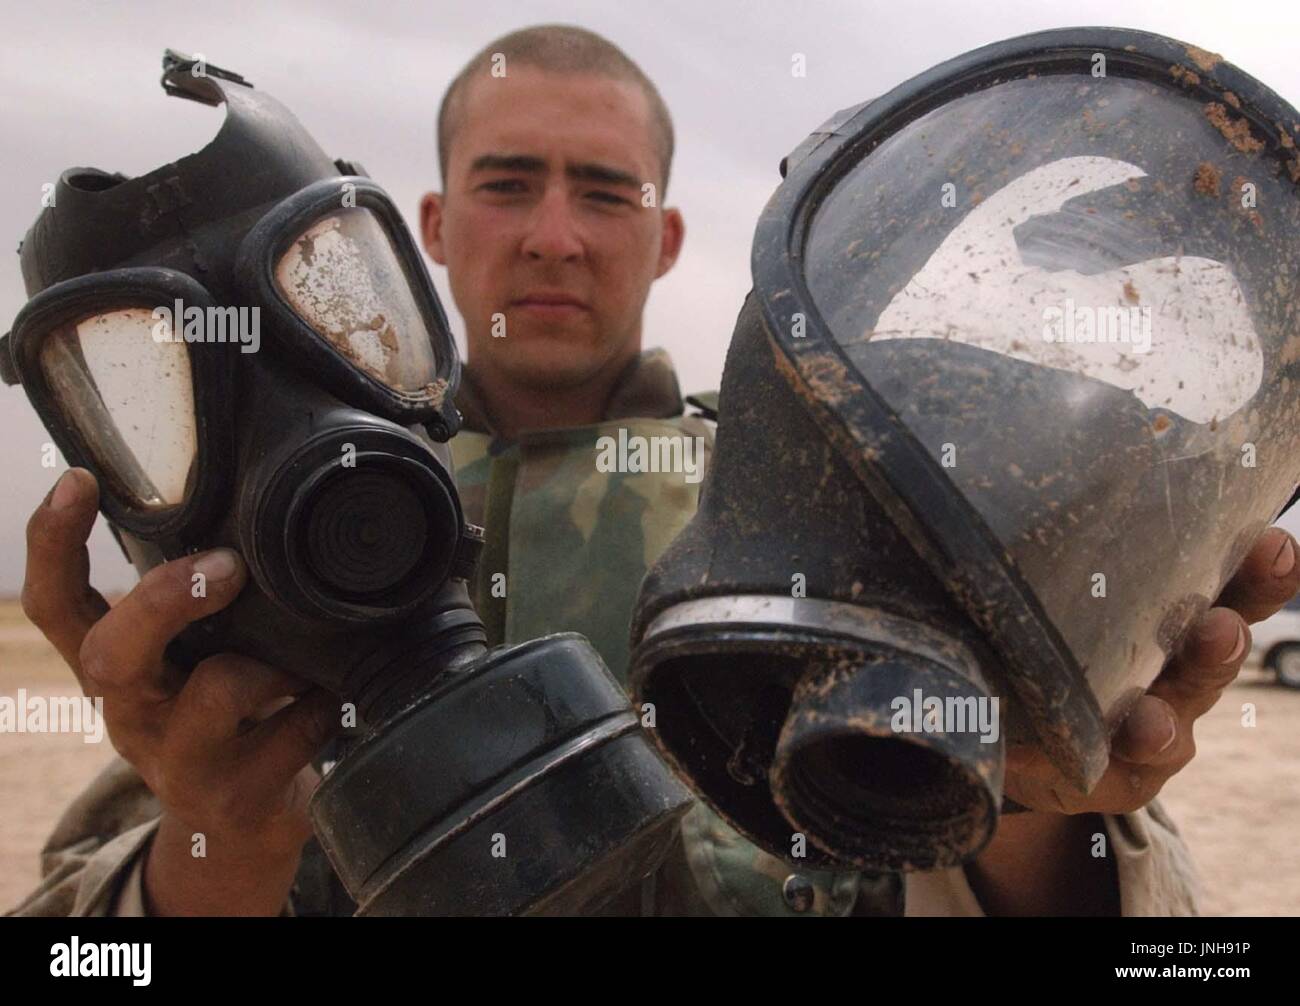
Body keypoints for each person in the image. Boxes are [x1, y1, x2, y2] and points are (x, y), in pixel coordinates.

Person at [10, 24, 1299, 918]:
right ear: (433, 233)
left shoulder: (850, 524)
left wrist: (1020, 805)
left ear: (670, 233)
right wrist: (208, 853)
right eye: (509, 186)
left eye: (605, 193)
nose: (556, 238)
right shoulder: (246, 578)